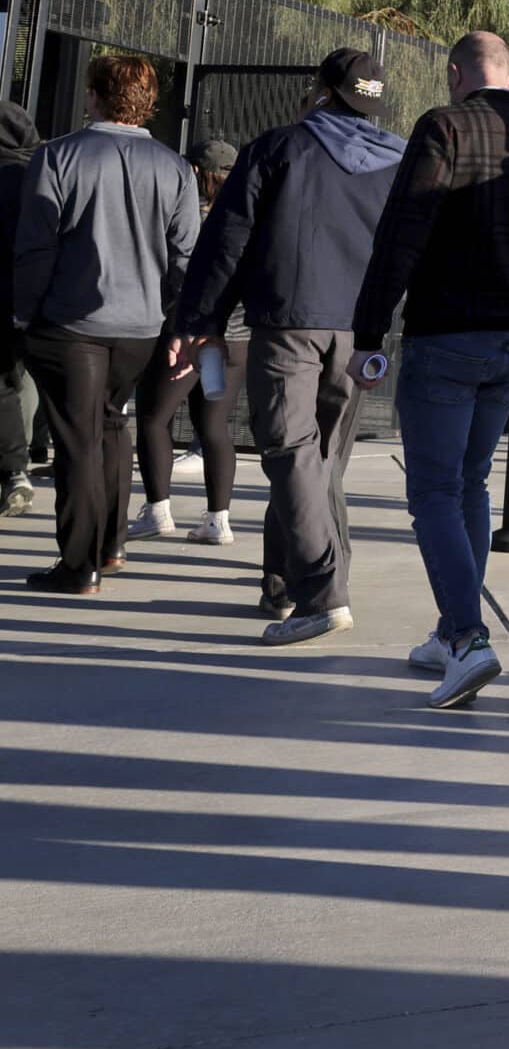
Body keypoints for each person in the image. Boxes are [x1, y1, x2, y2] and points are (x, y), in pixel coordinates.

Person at [353, 33, 509, 707]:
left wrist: (370, 330)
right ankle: (449, 631)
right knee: (470, 483)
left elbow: (402, 232)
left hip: (447, 334)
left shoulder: (444, 126)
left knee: (431, 491)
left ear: (456, 74)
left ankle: (466, 637)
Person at [173, 49, 406, 644]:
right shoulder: (402, 162)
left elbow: (227, 241)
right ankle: (283, 583)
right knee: (319, 459)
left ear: (321, 90)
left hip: (289, 321)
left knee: (289, 451)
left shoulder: (280, 148)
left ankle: (322, 593)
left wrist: (202, 320)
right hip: (361, 332)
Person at [15, 56, 197, 593]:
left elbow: (36, 246)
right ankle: (111, 545)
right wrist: (183, 320)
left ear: (93, 95)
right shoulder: (174, 168)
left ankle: (78, 564)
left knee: (77, 440)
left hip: (72, 321)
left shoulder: (57, 157)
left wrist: (23, 312)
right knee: (113, 423)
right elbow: (186, 255)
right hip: (140, 326)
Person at [127, 140, 248, 547]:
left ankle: (158, 509)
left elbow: (180, 272)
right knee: (213, 425)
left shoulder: (189, 217)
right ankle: (218, 519)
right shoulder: (248, 216)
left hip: (190, 332)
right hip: (234, 338)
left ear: (194, 172)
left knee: (153, 417)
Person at [0, 100, 40, 516]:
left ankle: (14, 467)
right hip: (38, 295)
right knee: (22, 379)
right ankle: (19, 465)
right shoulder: (38, 175)